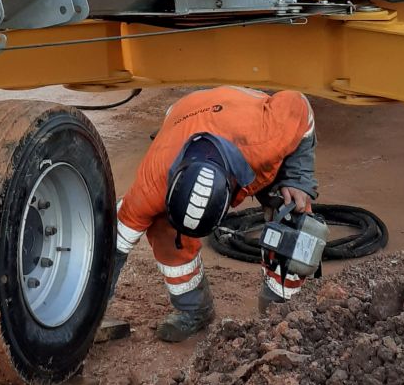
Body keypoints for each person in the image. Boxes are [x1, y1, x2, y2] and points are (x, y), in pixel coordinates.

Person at [105, 86, 318, 341]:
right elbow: (112, 247)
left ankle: (282, 316)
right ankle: (195, 311)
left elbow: (301, 106)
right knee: (165, 230)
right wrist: (89, 312)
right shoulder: (151, 184)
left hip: (239, 121)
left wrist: (297, 178)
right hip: (184, 115)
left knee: (295, 218)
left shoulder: (266, 137)